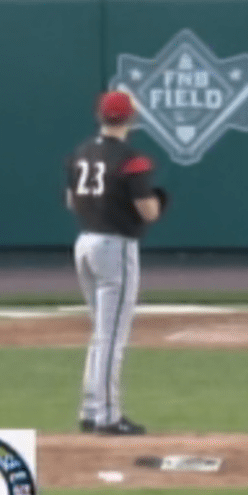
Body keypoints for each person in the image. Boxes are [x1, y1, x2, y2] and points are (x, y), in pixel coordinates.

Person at [66, 91, 169, 436]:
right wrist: (159, 201)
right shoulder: (132, 160)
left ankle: (91, 409)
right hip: (115, 247)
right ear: (130, 119)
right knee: (112, 336)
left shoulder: (80, 153)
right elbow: (149, 211)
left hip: (84, 243)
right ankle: (107, 415)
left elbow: (71, 201)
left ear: (99, 116)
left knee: (101, 333)